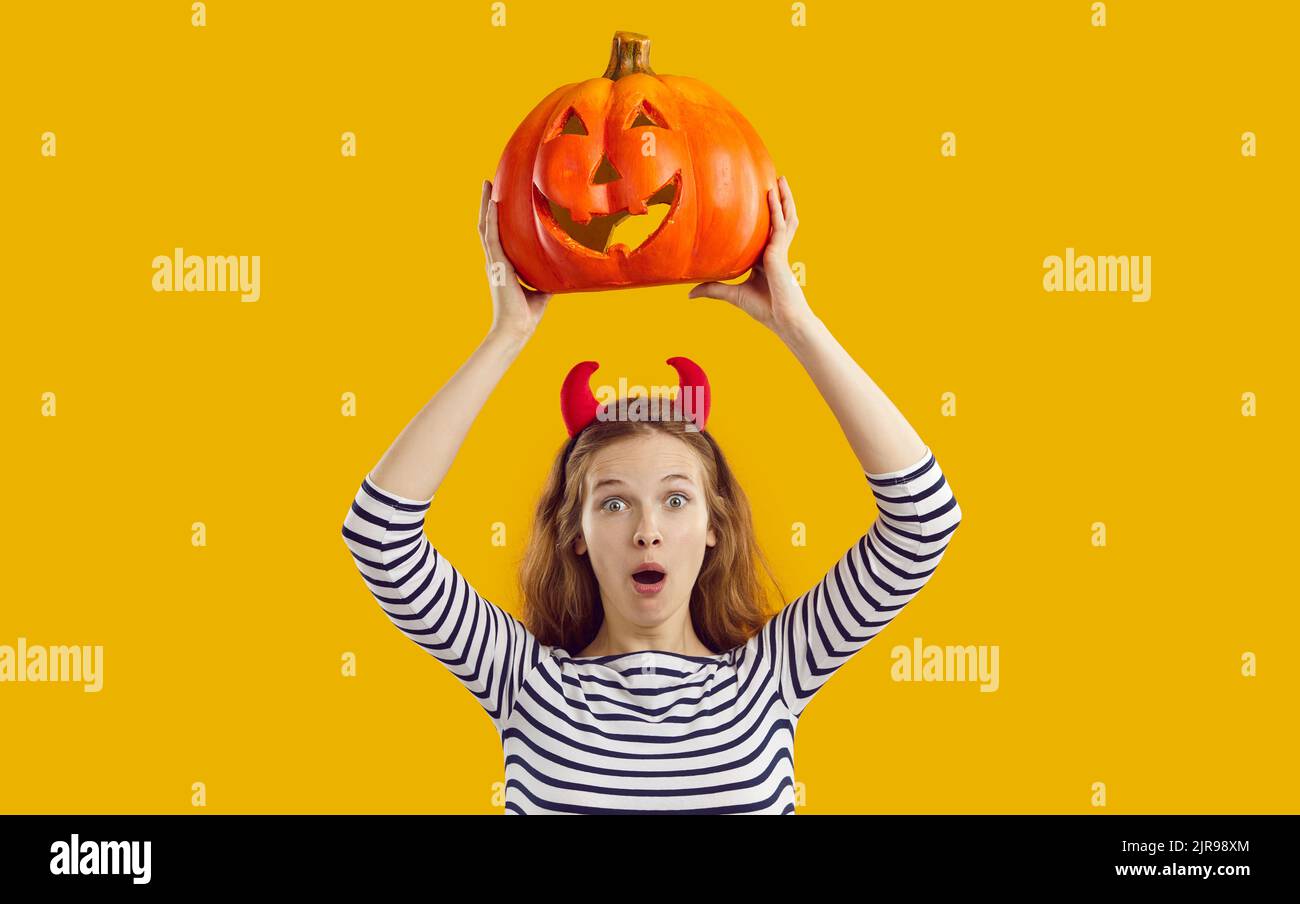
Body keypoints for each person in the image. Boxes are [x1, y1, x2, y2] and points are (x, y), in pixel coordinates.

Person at [341, 176, 962, 814]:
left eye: (675, 499)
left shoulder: (770, 681)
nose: (648, 531)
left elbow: (923, 522)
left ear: (714, 524)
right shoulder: (526, 685)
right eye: (613, 502)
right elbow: (379, 537)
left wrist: (795, 322)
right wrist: (506, 337)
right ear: (574, 532)